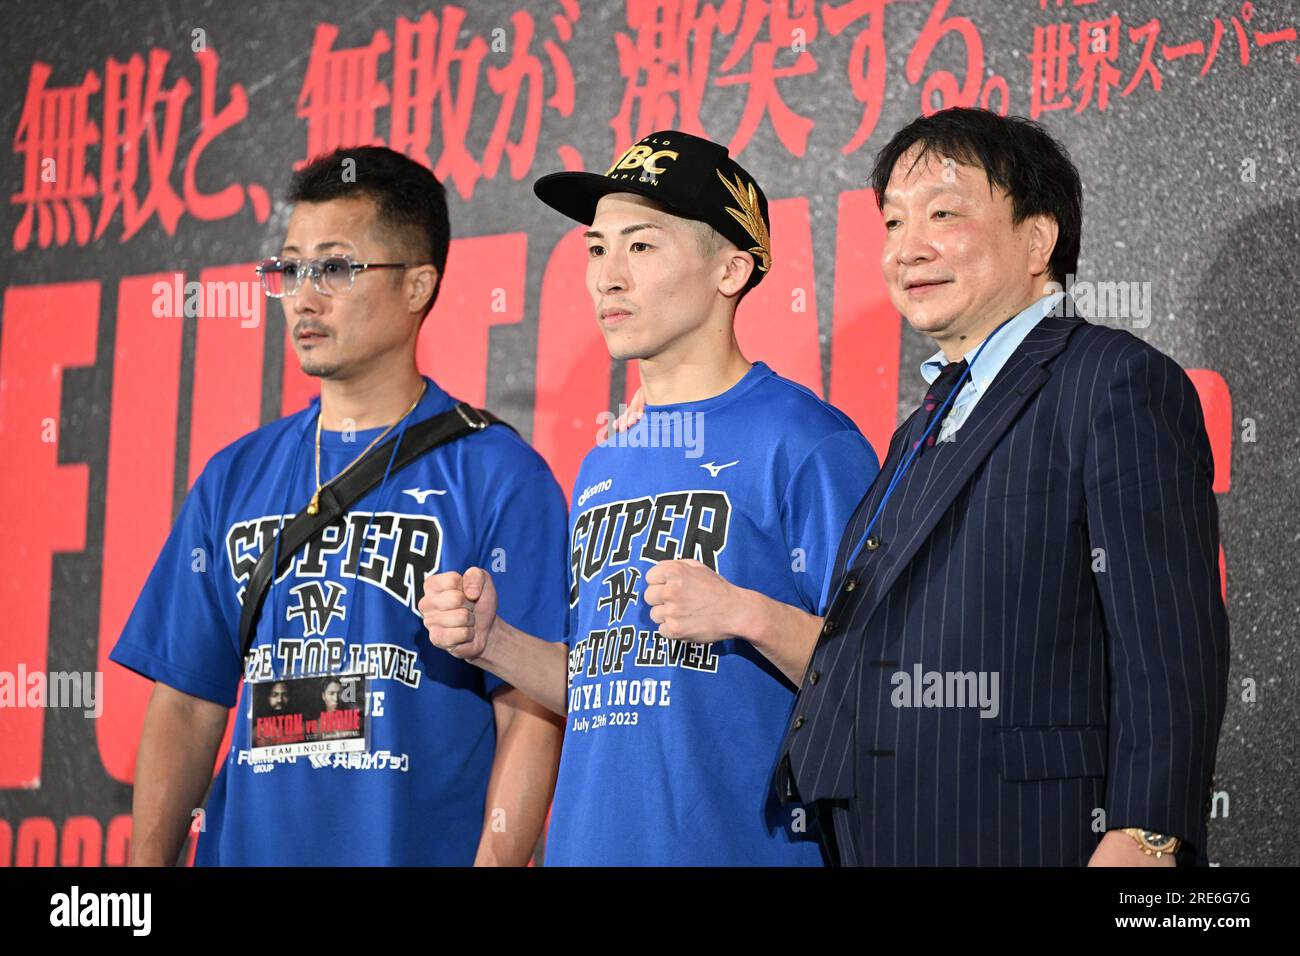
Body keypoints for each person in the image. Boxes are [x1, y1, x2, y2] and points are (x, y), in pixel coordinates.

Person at [778, 107, 1230, 866]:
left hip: (1034, 833)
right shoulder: (920, 422)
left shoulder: (1111, 382)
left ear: (1037, 238)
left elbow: (1170, 646)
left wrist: (1146, 839)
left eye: (943, 213)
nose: (907, 249)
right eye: (892, 223)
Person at [422, 131, 880, 865]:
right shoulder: (605, 461)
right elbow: (605, 683)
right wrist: (492, 642)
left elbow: (881, 680)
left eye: (641, 247)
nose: (607, 276)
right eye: (596, 249)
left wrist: (748, 615)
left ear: (731, 268)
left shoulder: (807, 441)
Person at [110, 145, 570, 866]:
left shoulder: (501, 474)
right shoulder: (235, 475)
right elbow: (188, 702)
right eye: (290, 267)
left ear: (418, 285)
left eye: (335, 267)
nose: (304, 295)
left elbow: (531, 716)